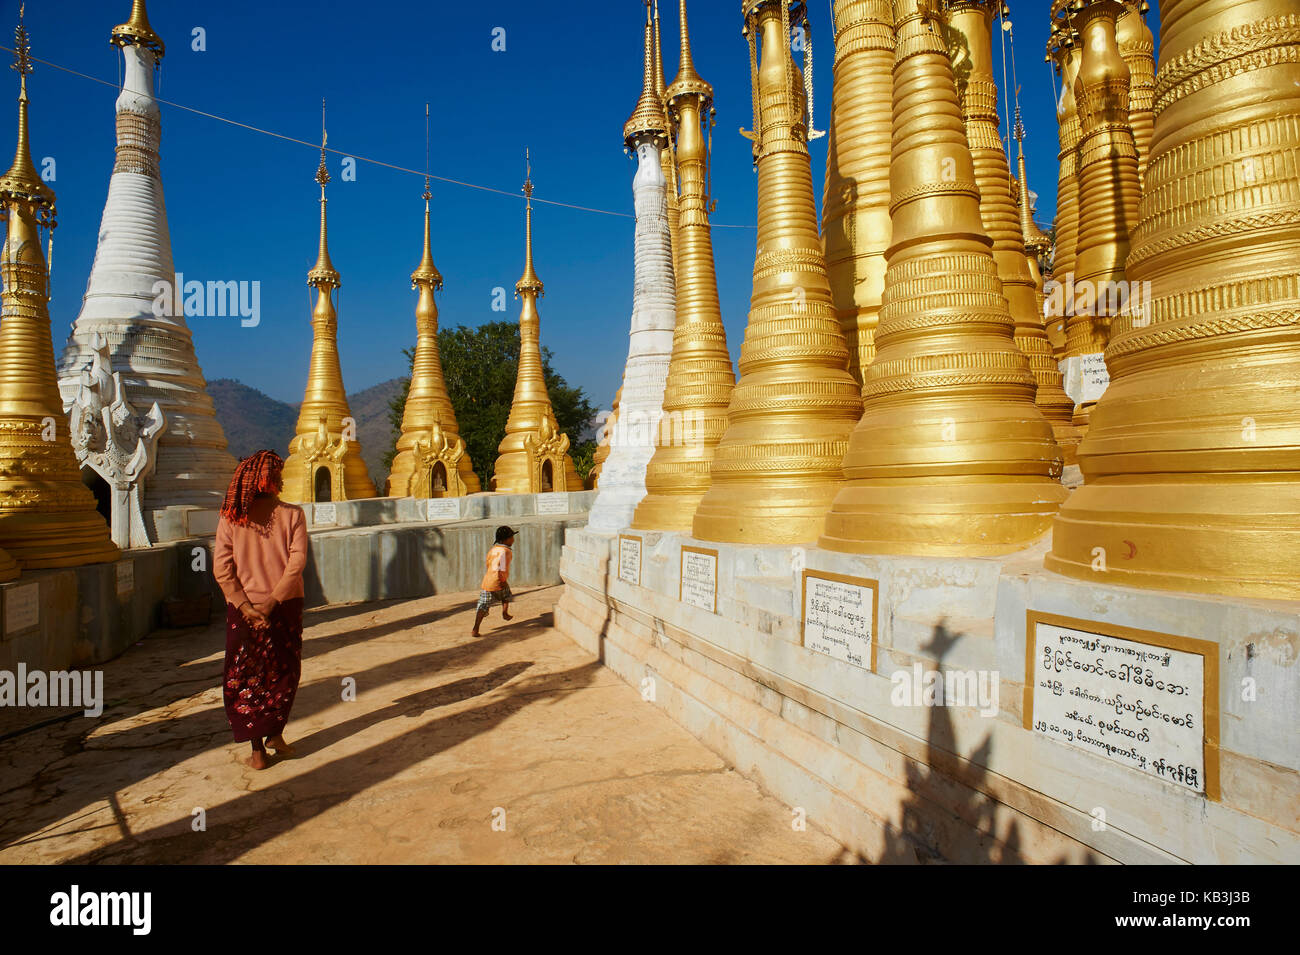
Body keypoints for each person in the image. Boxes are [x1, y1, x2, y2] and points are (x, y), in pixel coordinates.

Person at [213, 450, 309, 770]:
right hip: (283, 606)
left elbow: (222, 569)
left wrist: (244, 604)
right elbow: (296, 565)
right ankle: (273, 736)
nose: (281, 480)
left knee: (247, 676)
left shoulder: (230, 517)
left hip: (243, 611)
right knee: (283, 672)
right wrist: (270, 603)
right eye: (278, 474)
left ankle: (262, 748)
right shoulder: (293, 515)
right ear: (268, 480)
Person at [473, 525, 516, 637]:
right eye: (511, 537)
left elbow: (488, 563)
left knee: (482, 605)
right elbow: (503, 567)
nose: (513, 539)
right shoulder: (506, 551)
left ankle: (475, 628)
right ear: (505, 539)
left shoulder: (493, 549)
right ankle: (505, 613)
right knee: (506, 595)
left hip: (487, 581)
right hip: (499, 580)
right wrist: (502, 580)